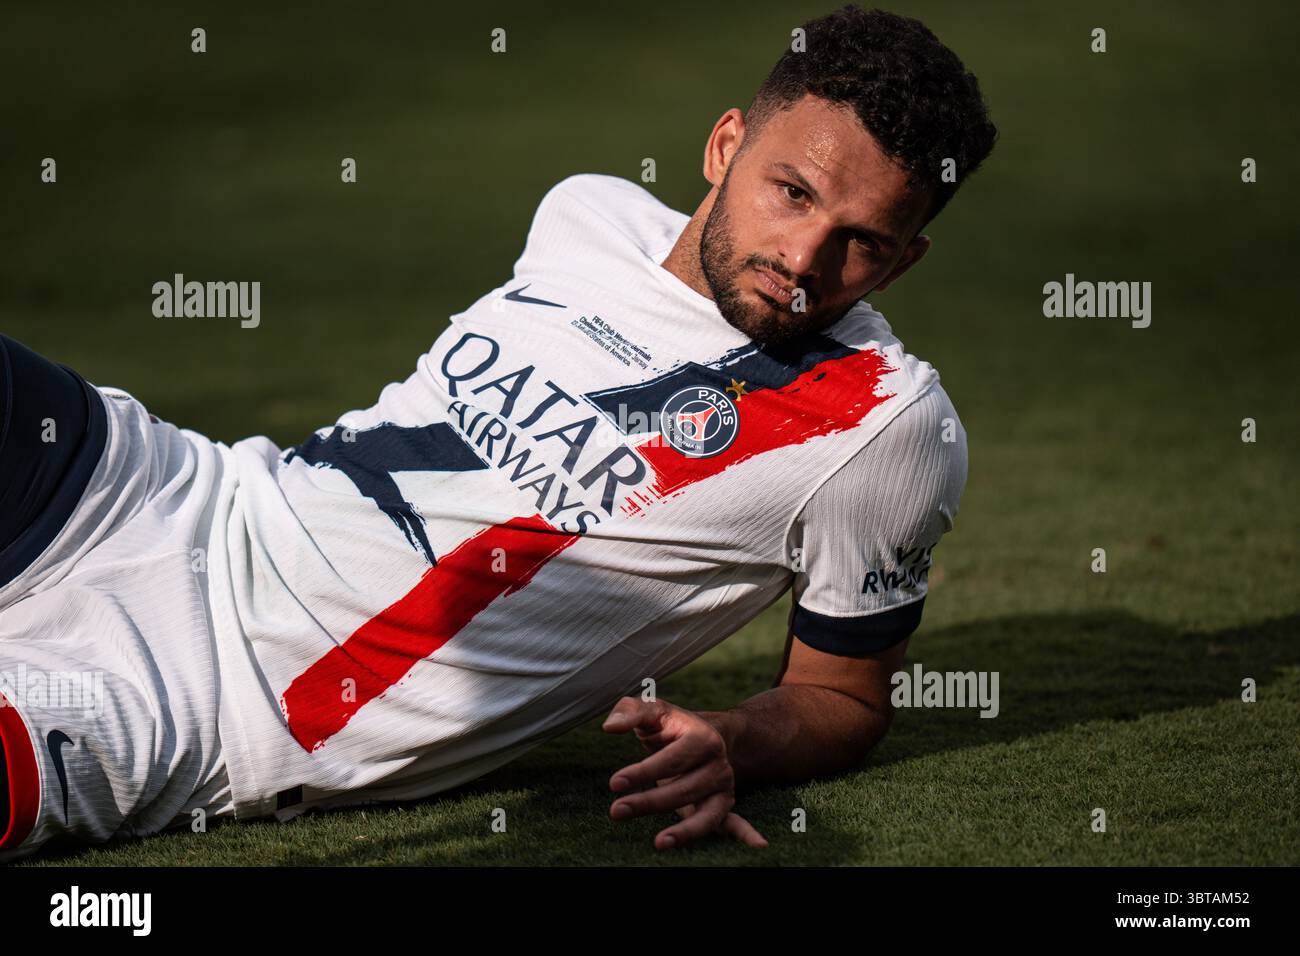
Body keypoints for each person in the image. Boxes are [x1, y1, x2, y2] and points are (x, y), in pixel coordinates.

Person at [0, 4, 996, 860]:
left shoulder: (884, 424)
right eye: (793, 192)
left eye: (861, 241)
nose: (804, 256)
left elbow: (844, 699)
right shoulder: (588, 213)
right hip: (162, 490)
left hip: (227, 703)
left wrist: (733, 735)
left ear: (904, 260)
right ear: (725, 145)